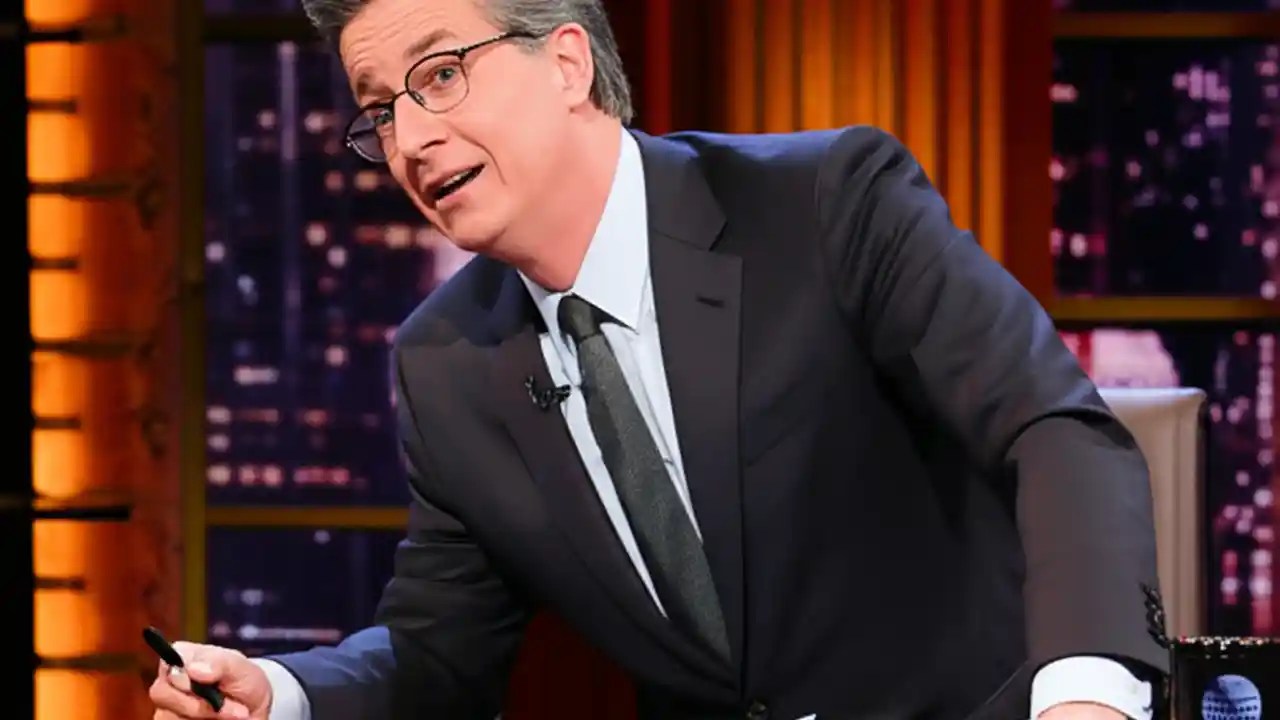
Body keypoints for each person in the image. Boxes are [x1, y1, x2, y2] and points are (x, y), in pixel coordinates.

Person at [150, 0, 1171, 718]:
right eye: (379, 109)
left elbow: (1052, 430)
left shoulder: (820, 203)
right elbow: (436, 656)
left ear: (565, 63)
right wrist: (279, 693)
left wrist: (1083, 697)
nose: (411, 135)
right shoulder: (447, 360)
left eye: (439, 75)